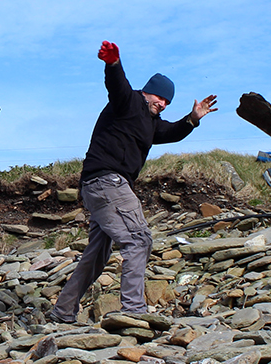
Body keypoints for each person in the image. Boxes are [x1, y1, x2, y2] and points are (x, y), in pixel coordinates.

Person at [50, 41, 218, 324]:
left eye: (167, 102)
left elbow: (173, 132)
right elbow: (117, 86)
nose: (162, 104)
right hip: (107, 181)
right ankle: (133, 311)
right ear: (147, 91)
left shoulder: (151, 122)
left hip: (101, 187)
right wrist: (113, 63)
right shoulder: (129, 102)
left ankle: (63, 311)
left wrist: (192, 118)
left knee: (97, 255)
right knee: (139, 240)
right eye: (160, 98)